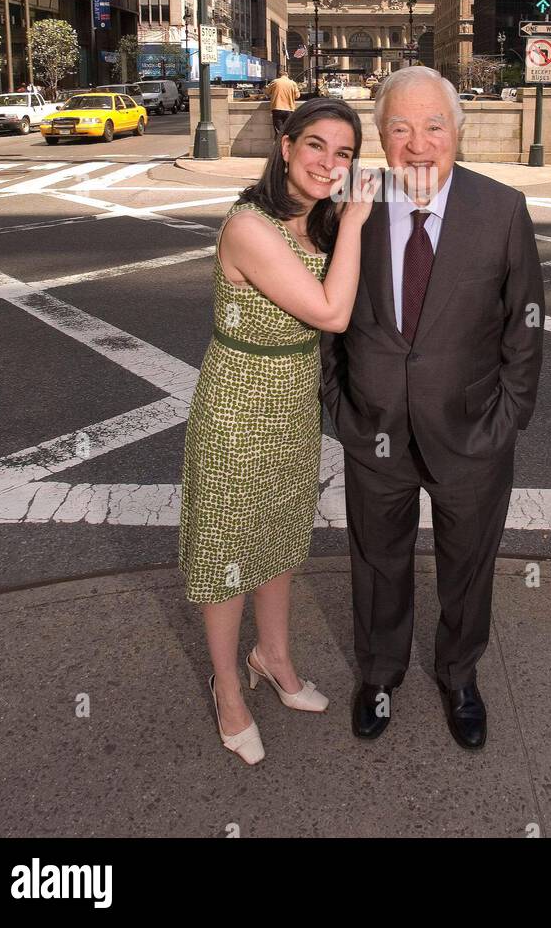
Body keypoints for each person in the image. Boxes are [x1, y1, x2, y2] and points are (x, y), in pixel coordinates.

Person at [321, 66, 545, 751]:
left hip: (472, 433)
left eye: (433, 127)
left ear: (458, 133)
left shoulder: (501, 211)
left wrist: (506, 420)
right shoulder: (348, 203)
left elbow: (525, 327)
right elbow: (325, 316)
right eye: (399, 128)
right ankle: (380, 675)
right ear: (379, 137)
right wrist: (340, 406)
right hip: (375, 430)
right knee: (377, 561)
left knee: (467, 565)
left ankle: (458, 674)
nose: (417, 145)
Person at [179, 98, 377, 765]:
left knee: (281, 536)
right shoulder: (250, 226)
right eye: (316, 146)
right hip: (237, 403)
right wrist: (354, 219)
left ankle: (274, 658)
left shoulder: (312, 222)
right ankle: (228, 687)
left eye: (343, 154)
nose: (328, 163)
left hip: (293, 400)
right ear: (286, 146)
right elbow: (330, 312)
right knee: (230, 549)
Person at [265, 67, 301, 136]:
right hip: (289, 109)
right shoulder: (292, 83)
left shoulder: (275, 82)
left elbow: (267, 92)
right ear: (287, 75)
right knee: (288, 130)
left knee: (279, 131)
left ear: (279, 76)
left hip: (277, 108)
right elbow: (297, 96)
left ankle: (279, 145)